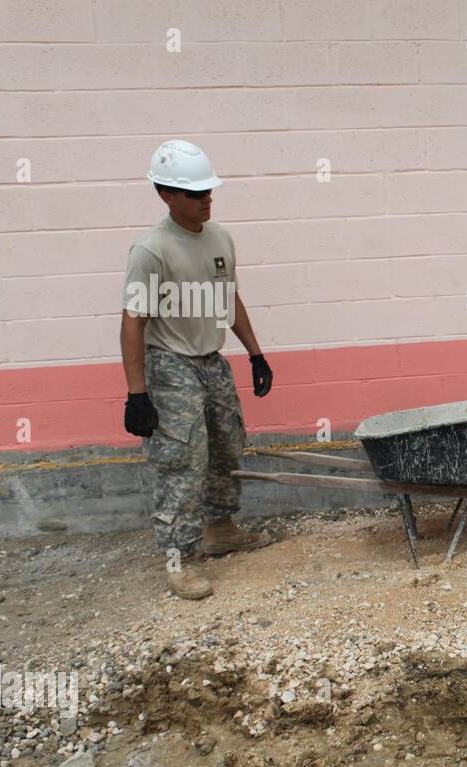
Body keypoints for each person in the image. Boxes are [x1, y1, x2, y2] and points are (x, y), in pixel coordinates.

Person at [120, 140, 275, 600]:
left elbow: (230, 299)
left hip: (212, 361)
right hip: (170, 365)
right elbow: (133, 323)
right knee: (181, 463)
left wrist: (256, 354)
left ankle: (221, 529)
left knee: (228, 448)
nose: (207, 199)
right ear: (166, 195)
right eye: (195, 193)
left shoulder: (220, 239)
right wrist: (137, 393)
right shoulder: (151, 250)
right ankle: (179, 560)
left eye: (209, 191)